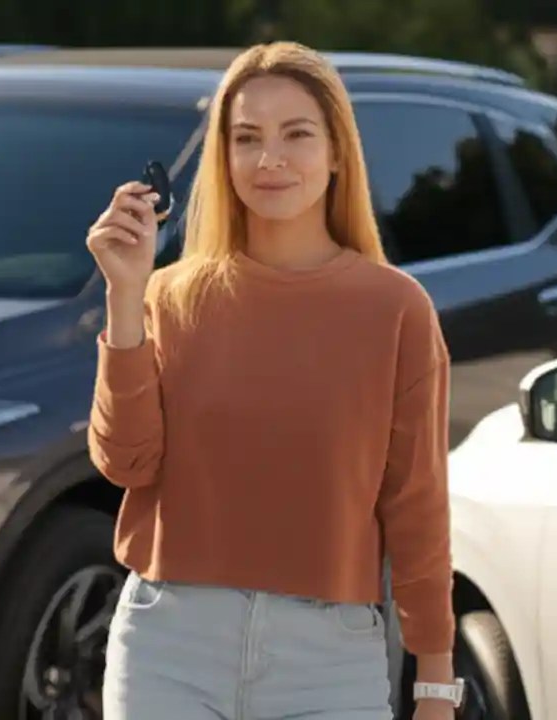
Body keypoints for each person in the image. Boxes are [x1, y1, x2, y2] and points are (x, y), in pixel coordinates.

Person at [84, 42, 459, 720]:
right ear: (223, 158)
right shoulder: (168, 297)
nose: (270, 159)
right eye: (247, 138)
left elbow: (418, 508)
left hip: (329, 661)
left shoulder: (395, 310)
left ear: (338, 152)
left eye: (297, 135)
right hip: (169, 647)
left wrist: (435, 681)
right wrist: (125, 299)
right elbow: (124, 462)